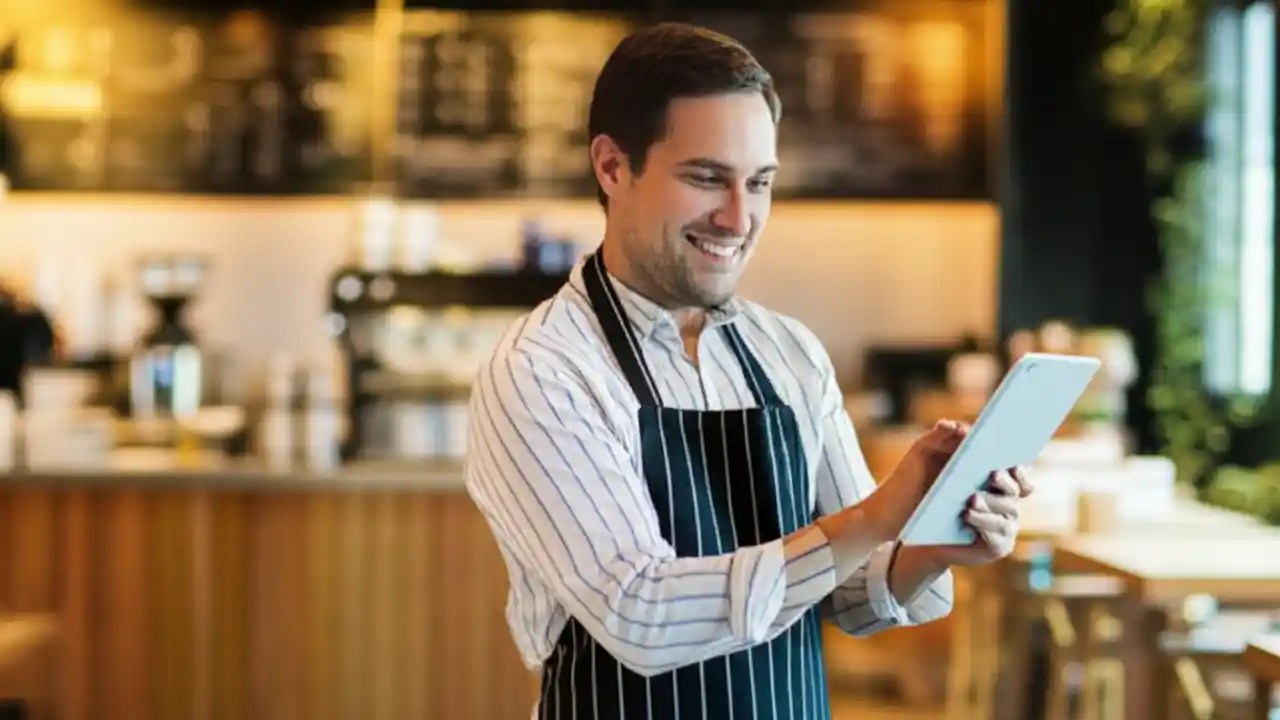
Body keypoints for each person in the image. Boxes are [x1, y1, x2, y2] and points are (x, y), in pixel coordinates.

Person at [466, 22, 1032, 719]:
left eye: (759, 183)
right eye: (706, 178)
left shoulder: (787, 353)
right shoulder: (542, 370)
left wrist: (935, 541)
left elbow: (850, 593)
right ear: (612, 167)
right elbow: (639, 614)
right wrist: (876, 514)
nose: (739, 218)